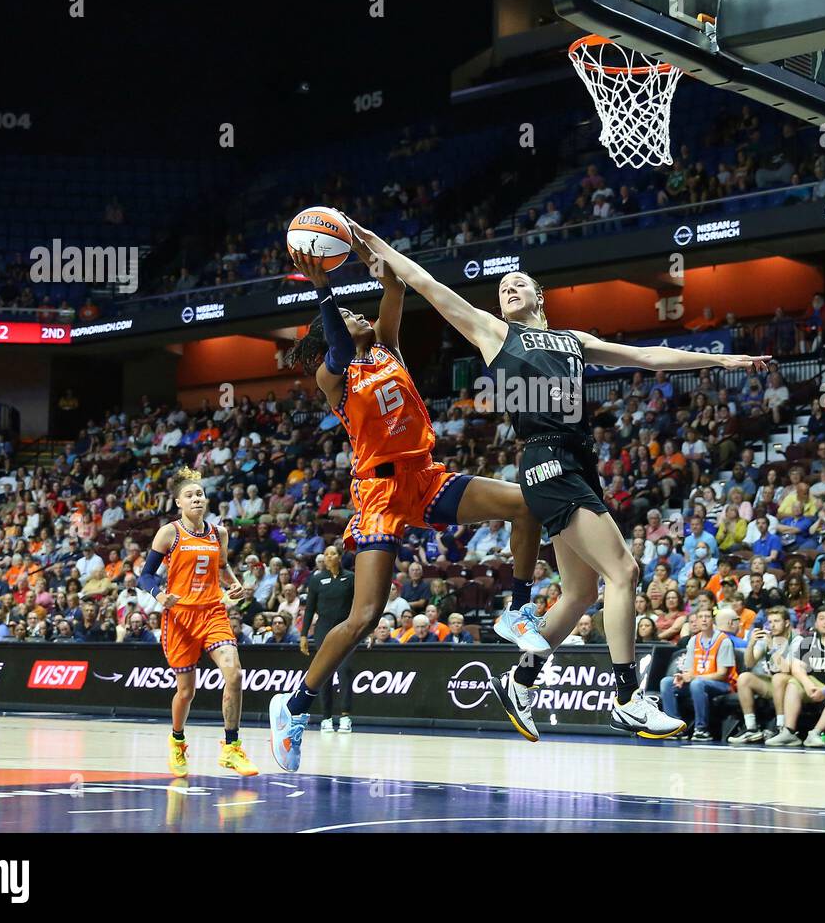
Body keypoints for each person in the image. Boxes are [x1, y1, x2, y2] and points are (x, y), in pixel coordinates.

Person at [347, 218, 768, 742]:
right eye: (502, 287)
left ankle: (521, 682)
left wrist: (723, 358)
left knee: (579, 591)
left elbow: (649, 357)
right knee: (625, 572)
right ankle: (627, 698)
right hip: (546, 461)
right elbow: (426, 282)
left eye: (518, 282)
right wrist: (369, 237)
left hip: (578, 461)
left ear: (539, 295)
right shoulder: (493, 331)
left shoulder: (573, 340)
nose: (508, 288)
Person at [269, 226, 545, 771]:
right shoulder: (335, 375)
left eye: (356, 314)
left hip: (425, 475)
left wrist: (374, 254)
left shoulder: (389, 347)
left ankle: (519, 608)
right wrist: (323, 286)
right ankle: (295, 707)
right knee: (366, 615)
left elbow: (396, 287)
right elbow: (342, 342)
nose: (357, 316)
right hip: (380, 493)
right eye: (347, 318)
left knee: (528, 502)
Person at [135, 468, 257, 777]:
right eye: (189, 495)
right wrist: (158, 594)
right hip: (179, 618)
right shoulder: (169, 533)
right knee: (186, 691)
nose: (196, 498)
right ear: (178, 502)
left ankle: (231, 747)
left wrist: (234, 584)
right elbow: (144, 575)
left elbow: (223, 566)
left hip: (213, 612)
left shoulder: (219, 533)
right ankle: (177, 740)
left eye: (200, 494)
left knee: (235, 674)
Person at [765, 606, 825, 748]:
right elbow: (796, 667)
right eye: (821, 618)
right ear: (816, 623)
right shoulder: (808, 640)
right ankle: (789, 732)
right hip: (814, 683)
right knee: (794, 682)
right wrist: (807, 684)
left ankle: (815, 733)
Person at [658, 609, 737, 741]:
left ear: (713, 620)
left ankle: (701, 729)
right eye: (701, 617)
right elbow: (689, 670)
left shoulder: (724, 641)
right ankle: (676, 728)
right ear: (697, 621)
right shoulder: (693, 640)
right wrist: (683, 677)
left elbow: (722, 674)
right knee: (666, 682)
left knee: (697, 683)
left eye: (707, 616)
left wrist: (694, 677)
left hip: (722, 685)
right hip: (698, 683)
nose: (704, 619)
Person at [301, 545, 355, 733]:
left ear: (339, 557)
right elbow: (309, 609)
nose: (328, 557)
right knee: (325, 674)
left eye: (332, 554)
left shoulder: (350, 578)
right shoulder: (316, 579)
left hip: (345, 629)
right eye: (326, 554)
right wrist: (303, 634)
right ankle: (326, 718)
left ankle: (346, 716)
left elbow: (358, 604)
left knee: (345, 670)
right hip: (323, 629)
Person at [727, 606, 795, 744]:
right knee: (744, 678)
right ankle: (751, 728)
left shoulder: (796, 639)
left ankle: (781, 727)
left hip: (792, 684)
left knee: (778, 677)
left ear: (787, 623)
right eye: (770, 622)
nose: (773, 625)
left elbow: (787, 669)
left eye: (777, 621)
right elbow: (749, 663)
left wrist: (772, 647)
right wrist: (751, 644)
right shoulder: (767, 640)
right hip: (774, 683)